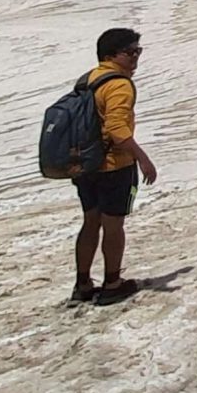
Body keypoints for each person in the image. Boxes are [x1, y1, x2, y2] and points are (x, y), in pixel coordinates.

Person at [72, 27, 159, 306]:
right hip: (114, 166)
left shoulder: (90, 79)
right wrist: (142, 158)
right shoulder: (119, 84)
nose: (136, 58)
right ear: (112, 55)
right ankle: (113, 283)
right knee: (113, 225)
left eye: (138, 51)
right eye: (130, 52)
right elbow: (117, 129)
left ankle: (83, 283)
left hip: (86, 165)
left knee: (90, 222)